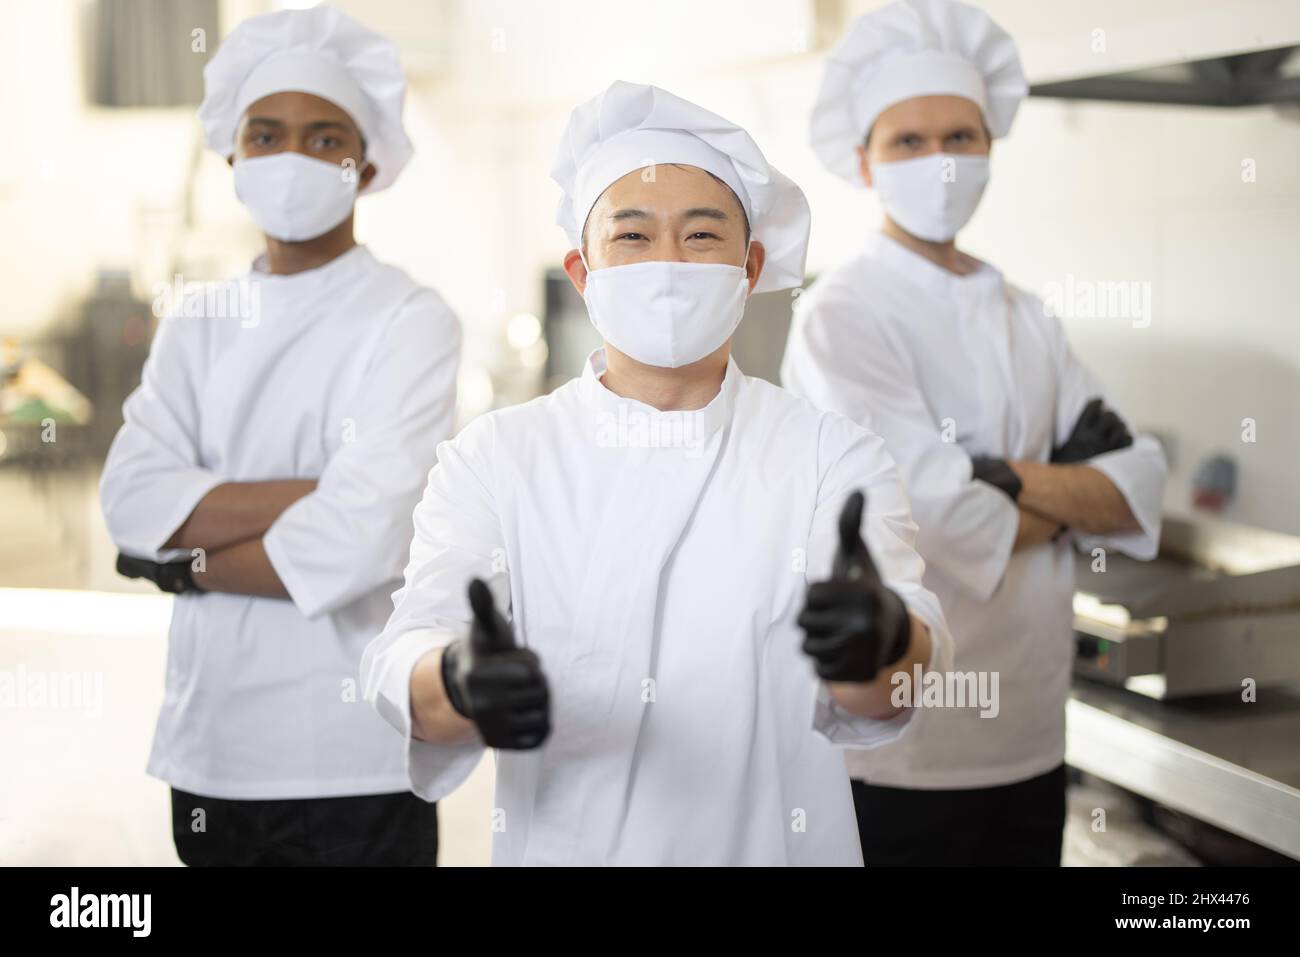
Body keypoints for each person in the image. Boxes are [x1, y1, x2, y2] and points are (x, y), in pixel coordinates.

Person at [361, 81, 953, 866]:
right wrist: (460, 681)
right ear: (583, 270)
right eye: (633, 237)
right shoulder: (496, 457)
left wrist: (879, 645)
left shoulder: (830, 456)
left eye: (702, 236)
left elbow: (895, 683)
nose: (669, 263)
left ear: (749, 265)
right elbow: (405, 657)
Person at [782, 0, 1168, 865]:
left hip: (1031, 732)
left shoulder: (1025, 314)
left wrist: (994, 474)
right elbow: (926, 515)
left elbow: (1137, 480)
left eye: (960, 137)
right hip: (899, 748)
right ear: (863, 161)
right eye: (909, 143)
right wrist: (1064, 489)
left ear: (991, 146)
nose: (941, 162)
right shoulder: (843, 316)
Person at [99, 4, 460, 866]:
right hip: (210, 746)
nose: (292, 157)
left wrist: (183, 561)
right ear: (233, 155)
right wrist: (313, 491)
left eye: (324, 136)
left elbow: (362, 539)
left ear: (365, 164)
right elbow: (127, 499)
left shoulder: (409, 318)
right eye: (266, 134)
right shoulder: (198, 320)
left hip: (350, 759)